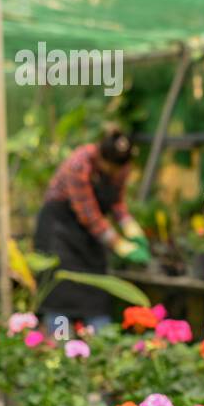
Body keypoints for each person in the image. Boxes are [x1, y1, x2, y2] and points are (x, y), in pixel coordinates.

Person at [34, 126, 149, 334]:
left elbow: (117, 204)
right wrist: (121, 245)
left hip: (86, 236)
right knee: (61, 286)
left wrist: (132, 230)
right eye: (111, 167)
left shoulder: (122, 167)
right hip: (59, 229)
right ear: (101, 156)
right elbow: (90, 216)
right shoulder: (79, 165)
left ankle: (99, 346)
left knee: (96, 287)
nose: (115, 172)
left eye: (119, 168)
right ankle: (60, 350)